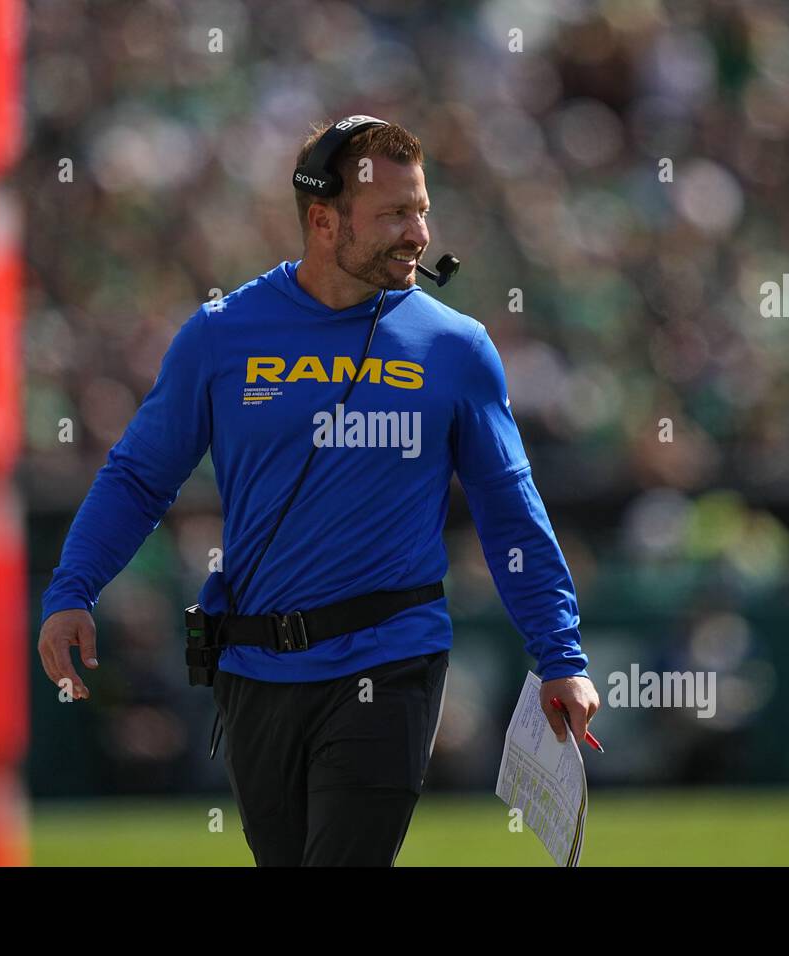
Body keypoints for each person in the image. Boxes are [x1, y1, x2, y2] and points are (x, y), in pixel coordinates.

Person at [38, 116, 600, 866]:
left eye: (421, 209)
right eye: (394, 214)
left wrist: (560, 653)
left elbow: (510, 511)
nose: (417, 233)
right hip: (254, 672)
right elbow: (139, 477)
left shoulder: (456, 349)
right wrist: (74, 588)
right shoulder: (220, 335)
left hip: (391, 661)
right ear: (324, 220)